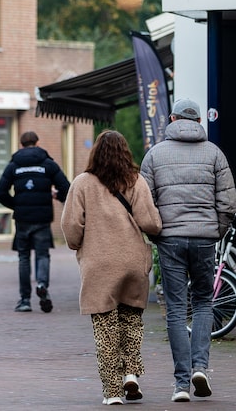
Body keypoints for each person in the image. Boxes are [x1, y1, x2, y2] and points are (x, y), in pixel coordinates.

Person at [139, 98, 236, 402]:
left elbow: (144, 202)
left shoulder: (154, 155)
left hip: (170, 239)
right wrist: (215, 231)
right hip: (205, 238)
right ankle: (200, 368)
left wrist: (156, 233)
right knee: (204, 302)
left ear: (172, 119)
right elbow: (228, 202)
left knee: (176, 309)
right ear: (199, 122)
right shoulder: (214, 153)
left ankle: (181, 383)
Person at [61, 130, 163, 405]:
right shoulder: (136, 180)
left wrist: (77, 244)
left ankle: (112, 391)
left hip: (99, 264)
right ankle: (130, 373)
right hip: (132, 260)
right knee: (132, 321)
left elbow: (71, 226)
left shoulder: (82, 183)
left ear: (95, 153)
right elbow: (151, 223)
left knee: (106, 329)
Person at [0, 130, 71, 313]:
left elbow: (0, 192)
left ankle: (25, 300)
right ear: (37, 143)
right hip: (42, 218)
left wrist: (17, 205)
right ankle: (42, 284)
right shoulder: (48, 164)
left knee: (23, 257)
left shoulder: (14, 165)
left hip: (22, 219)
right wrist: (57, 196)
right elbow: (67, 187)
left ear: (21, 145)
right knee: (42, 254)